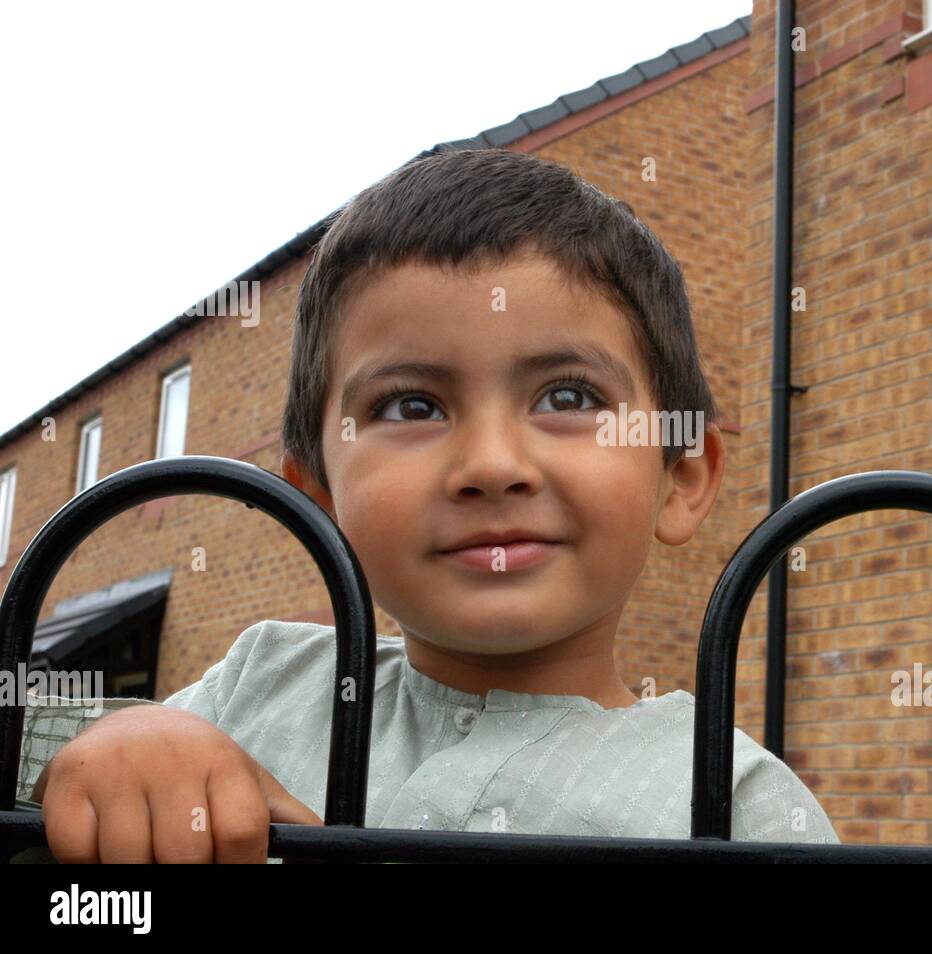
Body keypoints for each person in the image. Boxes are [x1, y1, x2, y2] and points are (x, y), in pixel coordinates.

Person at [16, 148, 839, 863]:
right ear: (319, 502)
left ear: (682, 474)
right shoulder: (257, 687)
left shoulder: (740, 804)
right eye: (413, 407)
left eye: (566, 394)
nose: (491, 466)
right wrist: (107, 750)